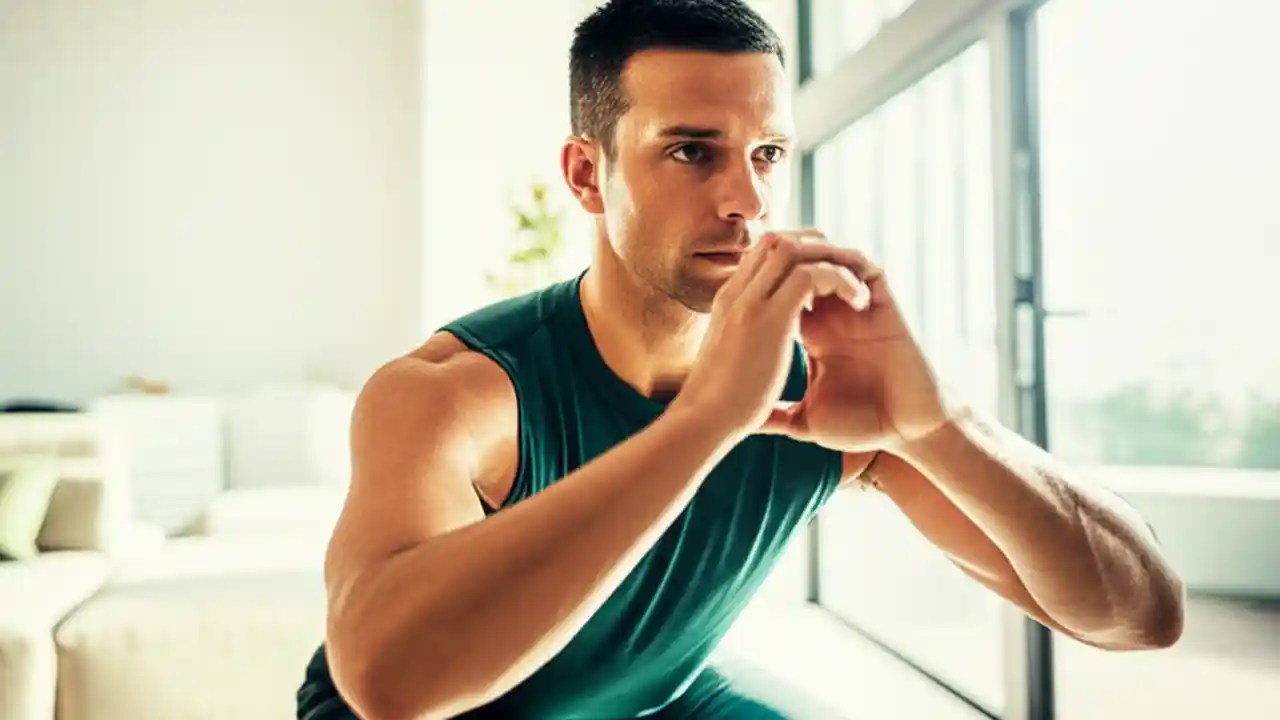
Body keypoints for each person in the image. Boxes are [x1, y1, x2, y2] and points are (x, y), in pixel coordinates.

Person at [296, 1, 1185, 717]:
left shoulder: (820, 391)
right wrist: (705, 419)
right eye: (692, 152)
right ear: (583, 175)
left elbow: (1140, 616)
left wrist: (938, 423)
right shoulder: (456, 394)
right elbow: (392, 687)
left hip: (658, 701)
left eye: (767, 154)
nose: (747, 198)